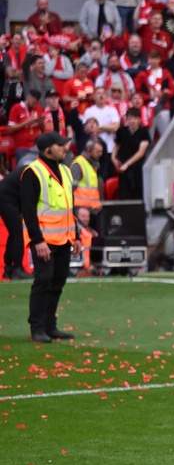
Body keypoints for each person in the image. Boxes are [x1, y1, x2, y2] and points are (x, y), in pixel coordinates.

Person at [21, 132, 80, 343]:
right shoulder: (32, 172)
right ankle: (37, 327)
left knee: (58, 280)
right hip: (44, 240)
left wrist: (77, 235)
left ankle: (49, 326)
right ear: (48, 150)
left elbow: (70, 205)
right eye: (60, 145)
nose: (65, 148)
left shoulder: (65, 170)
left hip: (64, 237)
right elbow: (28, 210)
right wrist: (38, 240)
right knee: (43, 280)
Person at [112, 108, 150, 200]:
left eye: (135, 118)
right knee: (124, 195)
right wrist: (113, 158)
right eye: (130, 118)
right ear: (126, 119)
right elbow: (117, 145)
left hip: (138, 169)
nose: (132, 121)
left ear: (139, 120)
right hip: (123, 169)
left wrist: (127, 164)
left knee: (138, 196)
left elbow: (141, 152)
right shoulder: (121, 131)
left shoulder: (144, 132)